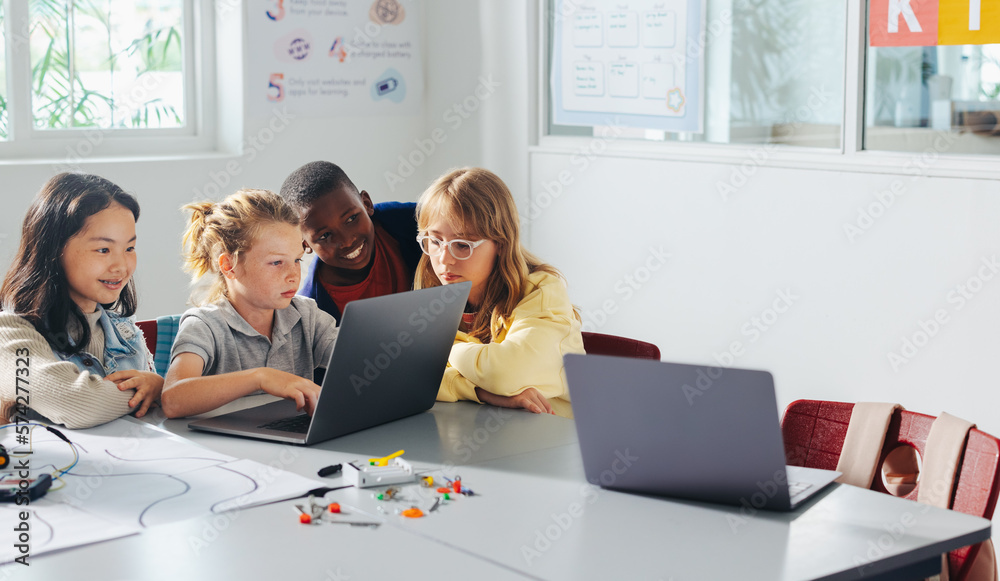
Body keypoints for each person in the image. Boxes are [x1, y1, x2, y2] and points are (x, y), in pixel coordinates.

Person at [413, 168, 585, 418]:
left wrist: (443, 351)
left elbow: (505, 373)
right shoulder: (437, 296)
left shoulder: (541, 292)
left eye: (462, 245)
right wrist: (483, 393)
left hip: (554, 440)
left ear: (501, 245)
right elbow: (408, 379)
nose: (444, 259)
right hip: (481, 432)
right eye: (435, 241)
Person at [0, 173, 161, 429]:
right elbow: (78, 404)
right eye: (103, 250)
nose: (121, 266)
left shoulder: (124, 330)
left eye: (129, 248)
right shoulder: (10, 333)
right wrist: (154, 391)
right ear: (54, 250)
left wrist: (156, 387)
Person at [161, 189, 338, 418]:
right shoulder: (204, 325)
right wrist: (260, 378)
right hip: (225, 449)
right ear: (229, 266)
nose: (294, 275)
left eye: (296, 260)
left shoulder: (307, 315)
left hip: (290, 443)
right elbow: (173, 400)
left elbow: (359, 361)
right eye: (276, 262)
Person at [278, 161, 421, 322]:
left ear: (366, 204)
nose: (346, 241)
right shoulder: (314, 311)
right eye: (325, 235)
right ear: (304, 244)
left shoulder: (412, 221)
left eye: (351, 218)